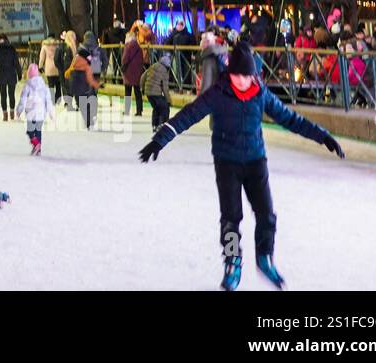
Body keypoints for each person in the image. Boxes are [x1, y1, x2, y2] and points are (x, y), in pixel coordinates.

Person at [139, 41, 345, 291]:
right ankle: (232, 263)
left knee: (267, 215)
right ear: (231, 73)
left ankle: (264, 258)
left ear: (254, 75)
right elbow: (189, 115)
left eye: (247, 77)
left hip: (256, 160)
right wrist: (160, 139)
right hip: (227, 162)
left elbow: (290, 118)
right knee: (231, 218)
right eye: (237, 76)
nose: (242, 82)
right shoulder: (219, 92)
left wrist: (322, 136)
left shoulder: (260, 93)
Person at [15, 62, 54, 155]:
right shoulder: (45, 87)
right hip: (41, 113)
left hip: (31, 113)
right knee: (38, 131)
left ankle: (36, 145)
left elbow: (23, 99)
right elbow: (48, 101)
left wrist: (19, 110)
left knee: (30, 131)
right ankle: (38, 149)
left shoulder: (27, 86)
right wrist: (51, 113)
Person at [65, 46, 101, 130]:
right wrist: (98, 85)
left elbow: (66, 75)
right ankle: (89, 122)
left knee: (82, 106)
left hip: (75, 90)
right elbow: (90, 80)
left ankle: (88, 122)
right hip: (84, 89)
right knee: (87, 106)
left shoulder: (73, 65)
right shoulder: (87, 66)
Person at [0, 34, 20, 120]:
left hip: (1, 74)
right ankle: (12, 112)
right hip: (11, 73)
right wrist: (19, 73)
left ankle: (5, 114)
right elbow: (16, 62)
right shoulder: (12, 49)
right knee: (11, 94)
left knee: (3, 95)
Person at [141, 51, 173, 129]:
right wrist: (168, 100)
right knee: (164, 107)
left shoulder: (153, 66)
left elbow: (143, 77)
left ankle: (154, 125)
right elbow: (165, 88)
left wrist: (142, 88)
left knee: (156, 108)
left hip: (148, 92)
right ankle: (162, 124)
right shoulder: (164, 71)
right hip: (156, 93)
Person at [121, 29, 146, 116]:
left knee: (127, 93)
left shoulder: (128, 46)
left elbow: (124, 59)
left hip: (128, 73)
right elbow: (141, 60)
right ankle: (139, 110)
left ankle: (127, 110)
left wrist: (123, 66)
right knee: (137, 92)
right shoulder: (138, 47)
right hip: (137, 72)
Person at [197, 29, 229, 94]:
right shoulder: (222, 52)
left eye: (203, 40)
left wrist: (201, 99)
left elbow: (206, 82)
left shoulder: (208, 58)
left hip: (213, 94)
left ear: (207, 42)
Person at [40, 34, 62, 103]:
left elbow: (42, 58)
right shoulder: (57, 46)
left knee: (51, 84)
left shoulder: (44, 46)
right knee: (58, 84)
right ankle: (58, 98)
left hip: (49, 68)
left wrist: (40, 67)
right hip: (57, 67)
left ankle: (52, 99)